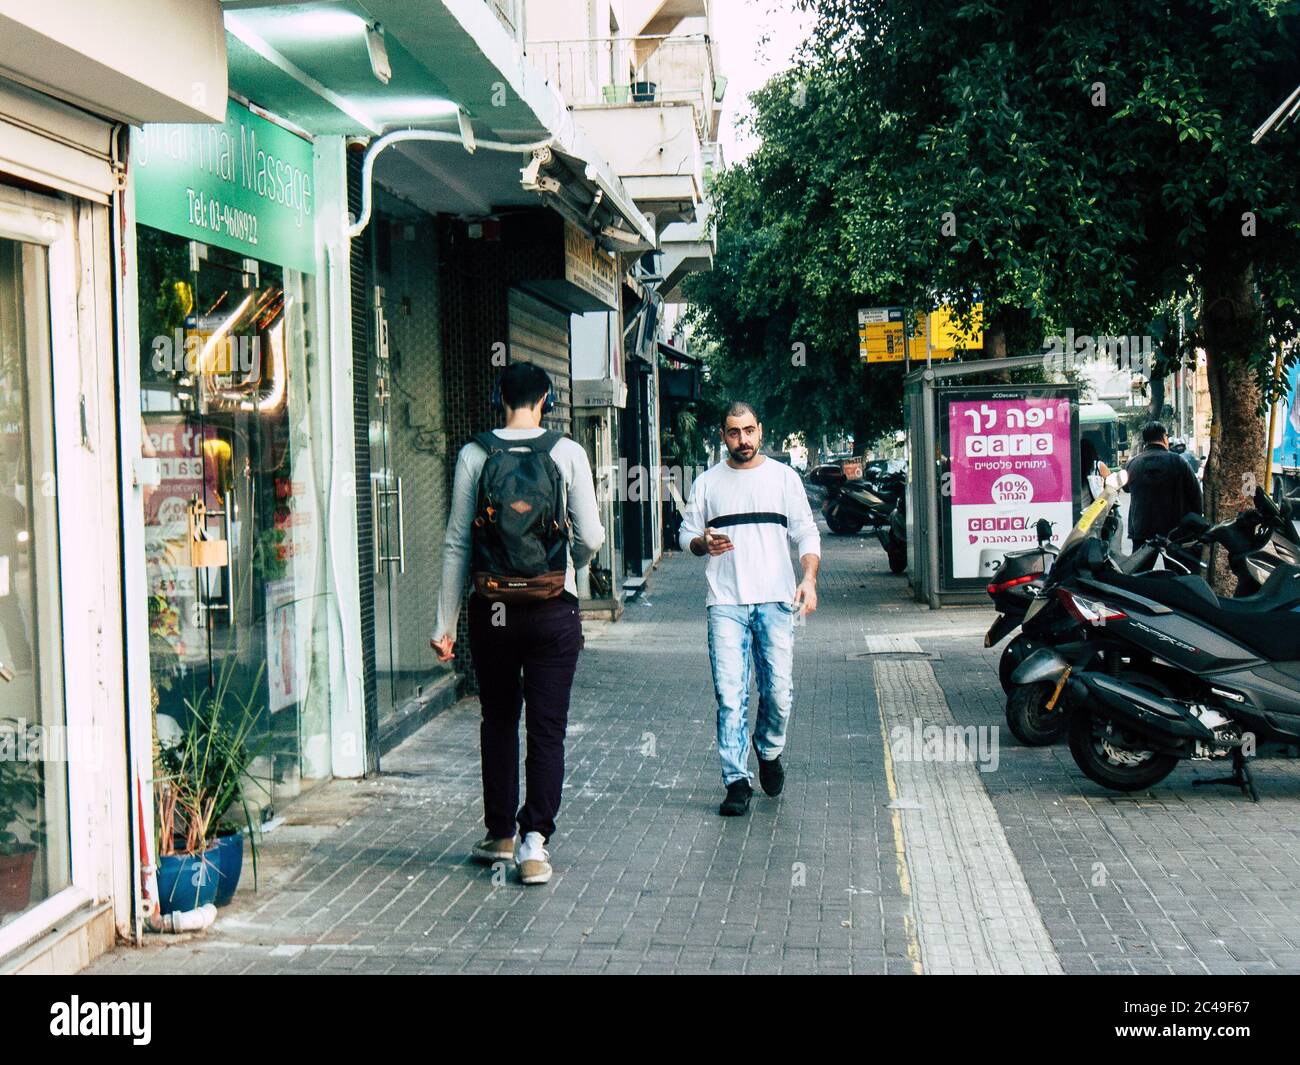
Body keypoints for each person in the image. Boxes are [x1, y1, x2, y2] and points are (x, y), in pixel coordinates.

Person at [430, 363, 603, 886]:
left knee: (499, 720)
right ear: (547, 399)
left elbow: (458, 541)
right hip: (553, 608)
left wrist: (446, 622)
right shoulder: (567, 452)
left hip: (494, 611)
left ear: (497, 396)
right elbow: (591, 535)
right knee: (548, 726)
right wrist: (568, 569)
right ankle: (534, 845)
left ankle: (500, 833)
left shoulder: (474, 453)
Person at [679, 401, 821, 817]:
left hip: (777, 601)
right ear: (722, 435)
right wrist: (703, 543)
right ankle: (736, 781)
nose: (742, 440)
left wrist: (808, 578)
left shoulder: (784, 478)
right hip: (725, 604)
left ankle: (769, 751)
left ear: (761, 431)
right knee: (731, 695)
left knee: (778, 693)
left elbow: (806, 532)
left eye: (749, 431)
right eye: (733, 432)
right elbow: (686, 535)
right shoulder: (707, 483)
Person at [1123, 421, 1202, 547]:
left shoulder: (1133, 464)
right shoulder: (1178, 461)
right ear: (1164, 438)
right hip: (1174, 529)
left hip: (1142, 527)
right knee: (1175, 566)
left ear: (1145, 440)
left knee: (1141, 565)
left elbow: (1126, 488)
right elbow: (1195, 493)